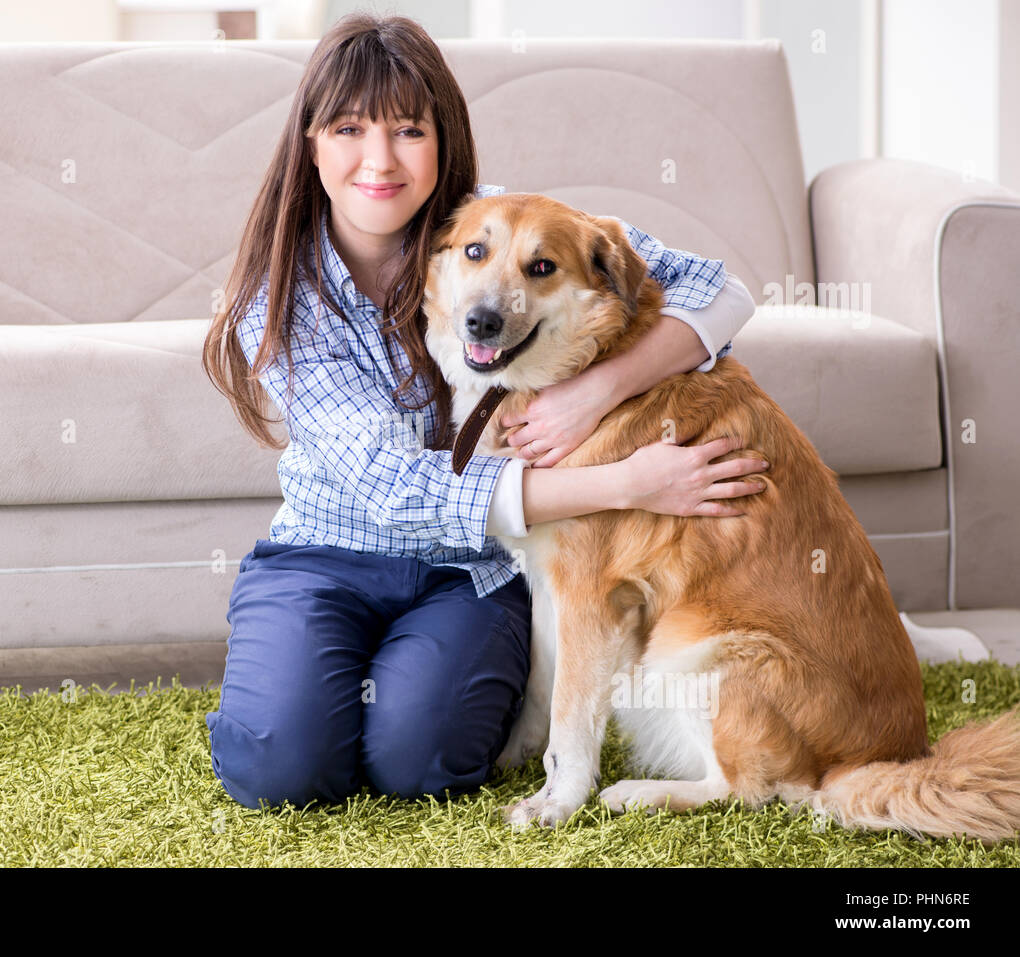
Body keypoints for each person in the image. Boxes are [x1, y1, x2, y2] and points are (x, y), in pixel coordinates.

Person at [200, 13, 765, 812]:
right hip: (326, 556)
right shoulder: (279, 296)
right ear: (311, 142)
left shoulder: (503, 222)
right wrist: (628, 481)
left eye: (408, 129)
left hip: (472, 569)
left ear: (446, 139)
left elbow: (723, 289)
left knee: (422, 758)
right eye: (350, 129)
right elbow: (390, 485)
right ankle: (311, 684)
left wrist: (594, 392)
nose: (379, 159)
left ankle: (388, 686)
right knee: (278, 770)